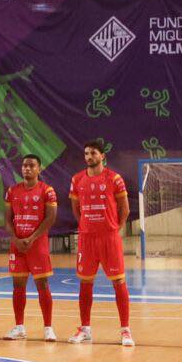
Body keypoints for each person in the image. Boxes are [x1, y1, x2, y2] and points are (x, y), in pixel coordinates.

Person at [69, 141, 134, 346]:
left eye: (93, 153)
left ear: (102, 156)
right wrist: (85, 226)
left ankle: (125, 331)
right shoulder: (77, 179)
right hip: (87, 239)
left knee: (119, 283)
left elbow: (125, 209)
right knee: (85, 283)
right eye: (86, 153)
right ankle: (85, 329)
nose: (89, 157)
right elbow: (76, 208)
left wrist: (115, 228)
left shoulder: (114, 178)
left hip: (109, 238)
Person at [2, 154, 58, 341]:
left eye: (31, 165)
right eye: (24, 165)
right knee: (18, 286)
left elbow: (50, 218)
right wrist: (15, 239)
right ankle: (19, 327)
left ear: (39, 169)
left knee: (42, 284)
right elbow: (7, 219)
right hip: (17, 245)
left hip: (37, 245)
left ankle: (48, 328)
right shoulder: (12, 191)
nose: (27, 168)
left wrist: (32, 238)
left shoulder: (47, 190)